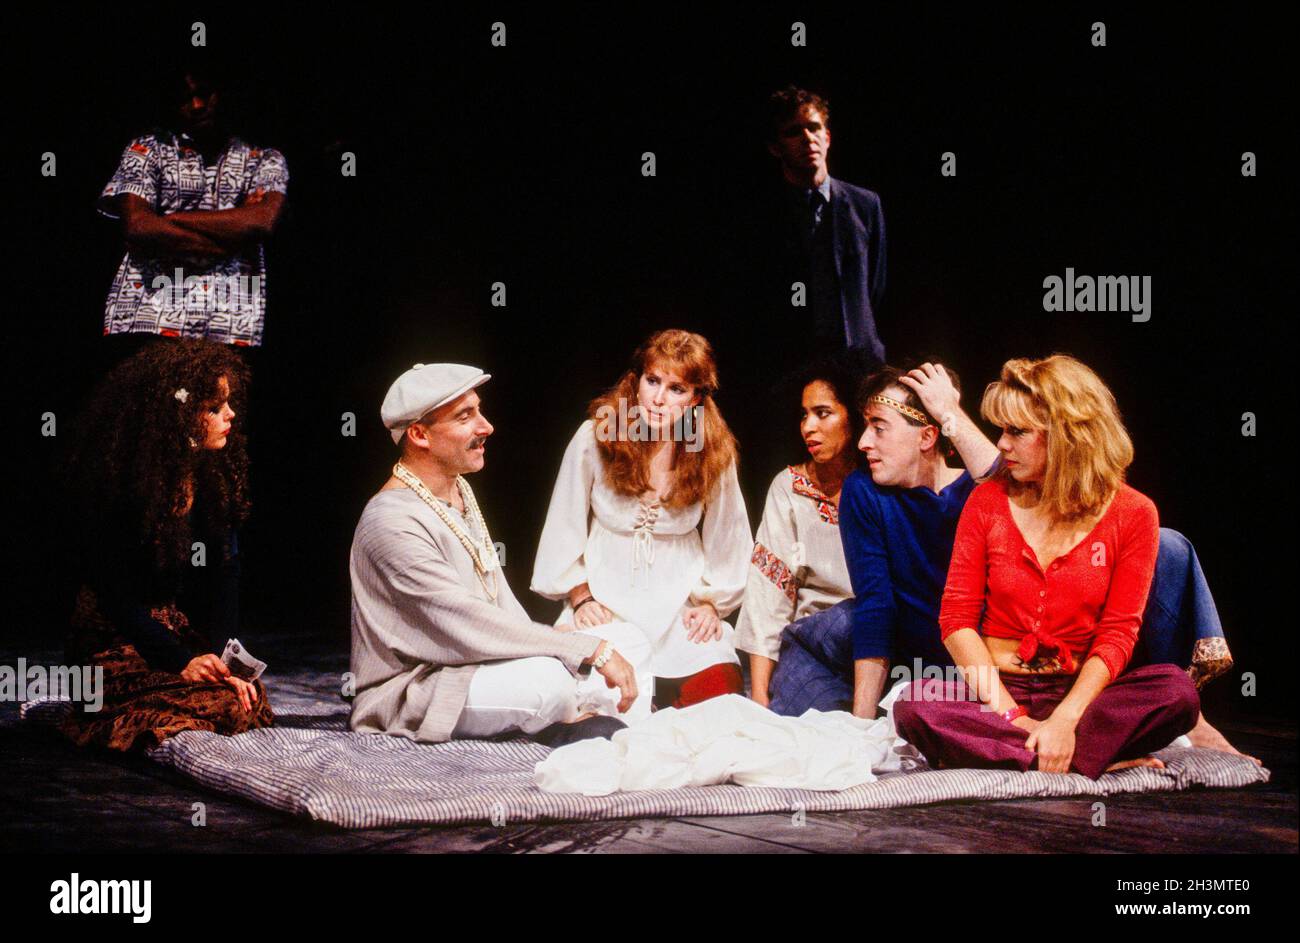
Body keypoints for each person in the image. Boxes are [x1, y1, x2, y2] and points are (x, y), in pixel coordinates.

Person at [892, 356, 1200, 778]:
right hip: (997, 691)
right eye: (1001, 429)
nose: (1001, 444)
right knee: (915, 704)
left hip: (1080, 698)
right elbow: (956, 620)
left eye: (1017, 431)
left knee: (1177, 692)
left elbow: (1117, 634)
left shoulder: (1133, 512)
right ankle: (1076, 759)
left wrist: (1065, 721)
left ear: (1069, 436)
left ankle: (1022, 755)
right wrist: (1014, 718)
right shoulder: (987, 502)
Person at [349, 363, 650, 746]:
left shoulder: (457, 492)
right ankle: (595, 724)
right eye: (465, 416)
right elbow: (464, 621)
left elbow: (497, 601)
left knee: (628, 638)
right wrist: (578, 650)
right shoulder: (390, 521)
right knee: (550, 680)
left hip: (478, 662)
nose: (486, 426)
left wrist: (568, 645)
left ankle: (615, 734)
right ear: (420, 434)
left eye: (479, 410)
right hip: (421, 687)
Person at [61, 339, 272, 751]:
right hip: (111, 643)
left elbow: (226, 574)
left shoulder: (212, 479)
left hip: (170, 633)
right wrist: (179, 660)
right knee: (220, 705)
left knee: (243, 695)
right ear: (176, 417)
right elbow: (115, 596)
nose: (229, 416)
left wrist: (219, 658)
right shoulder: (123, 489)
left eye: (227, 404)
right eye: (213, 408)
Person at [531, 330, 753, 709]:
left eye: (677, 389)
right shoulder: (597, 436)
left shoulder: (711, 451)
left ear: (696, 397)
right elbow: (563, 523)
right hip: (605, 598)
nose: (658, 398)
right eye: (652, 381)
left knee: (720, 698)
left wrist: (712, 604)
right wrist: (580, 597)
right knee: (598, 708)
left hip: (679, 606)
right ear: (637, 381)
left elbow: (729, 536)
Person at [769, 362, 1000, 718]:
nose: (863, 443)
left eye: (879, 428)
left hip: (962, 661)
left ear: (926, 437)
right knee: (823, 733)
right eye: (865, 427)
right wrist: (861, 727)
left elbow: (1012, 489)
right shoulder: (864, 490)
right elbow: (876, 606)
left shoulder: (978, 492)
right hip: (880, 654)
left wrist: (950, 412)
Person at [98, 67, 288, 352]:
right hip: (151, 314)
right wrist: (229, 238)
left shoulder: (263, 158)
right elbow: (137, 225)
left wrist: (167, 221)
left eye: (204, 94)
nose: (197, 106)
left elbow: (262, 221)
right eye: (185, 98)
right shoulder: (147, 148)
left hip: (231, 320)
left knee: (220, 396)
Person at [736, 358, 863, 708]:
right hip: (812, 643)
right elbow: (769, 593)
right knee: (800, 720)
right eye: (804, 415)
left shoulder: (878, 482)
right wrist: (760, 697)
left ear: (854, 415)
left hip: (873, 638)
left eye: (823, 413)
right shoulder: (789, 488)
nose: (809, 426)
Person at [762, 86, 887, 368]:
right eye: (794, 131)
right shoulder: (764, 215)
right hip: (788, 363)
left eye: (814, 127)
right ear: (775, 147)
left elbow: (876, 289)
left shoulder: (865, 204)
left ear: (827, 137)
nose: (808, 138)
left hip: (856, 360)